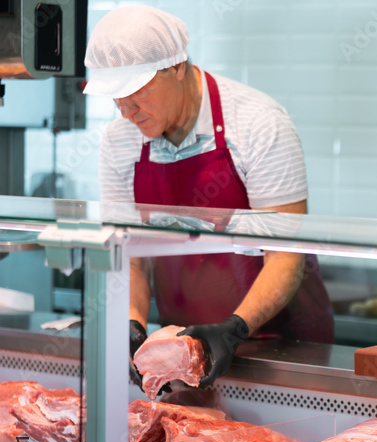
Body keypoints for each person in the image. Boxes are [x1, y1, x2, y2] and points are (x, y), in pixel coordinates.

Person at [85, 5, 334, 391]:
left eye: (137, 89)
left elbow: (286, 258)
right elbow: (130, 254)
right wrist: (132, 323)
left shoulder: (258, 124)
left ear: (178, 66)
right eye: (116, 96)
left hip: (280, 348)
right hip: (187, 351)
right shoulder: (120, 141)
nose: (127, 109)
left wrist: (233, 330)